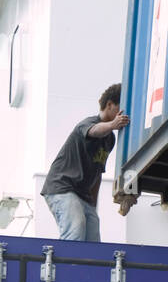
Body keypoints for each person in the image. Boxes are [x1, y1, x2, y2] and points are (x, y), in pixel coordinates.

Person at [42, 84, 130, 241]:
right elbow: (94, 130)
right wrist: (112, 125)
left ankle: (86, 265)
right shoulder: (87, 123)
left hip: (82, 194)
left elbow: (97, 173)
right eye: (120, 108)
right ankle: (68, 264)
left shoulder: (109, 139)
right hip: (62, 186)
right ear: (109, 105)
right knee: (76, 227)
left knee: (93, 234)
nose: (122, 114)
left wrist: (92, 205)